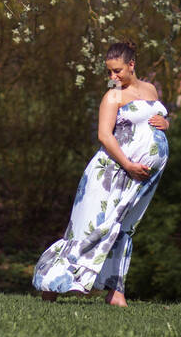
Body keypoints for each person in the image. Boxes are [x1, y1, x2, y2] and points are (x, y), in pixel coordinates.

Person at [32, 40, 173, 307]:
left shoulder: (151, 89)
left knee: (124, 228)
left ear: (132, 65)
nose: (113, 77)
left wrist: (165, 123)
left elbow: (155, 120)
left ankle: (116, 292)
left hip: (141, 179)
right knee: (89, 229)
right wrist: (129, 164)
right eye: (109, 72)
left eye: (117, 70)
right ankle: (52, 285)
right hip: (110, 174)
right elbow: (104, 136)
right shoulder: (112, 96)